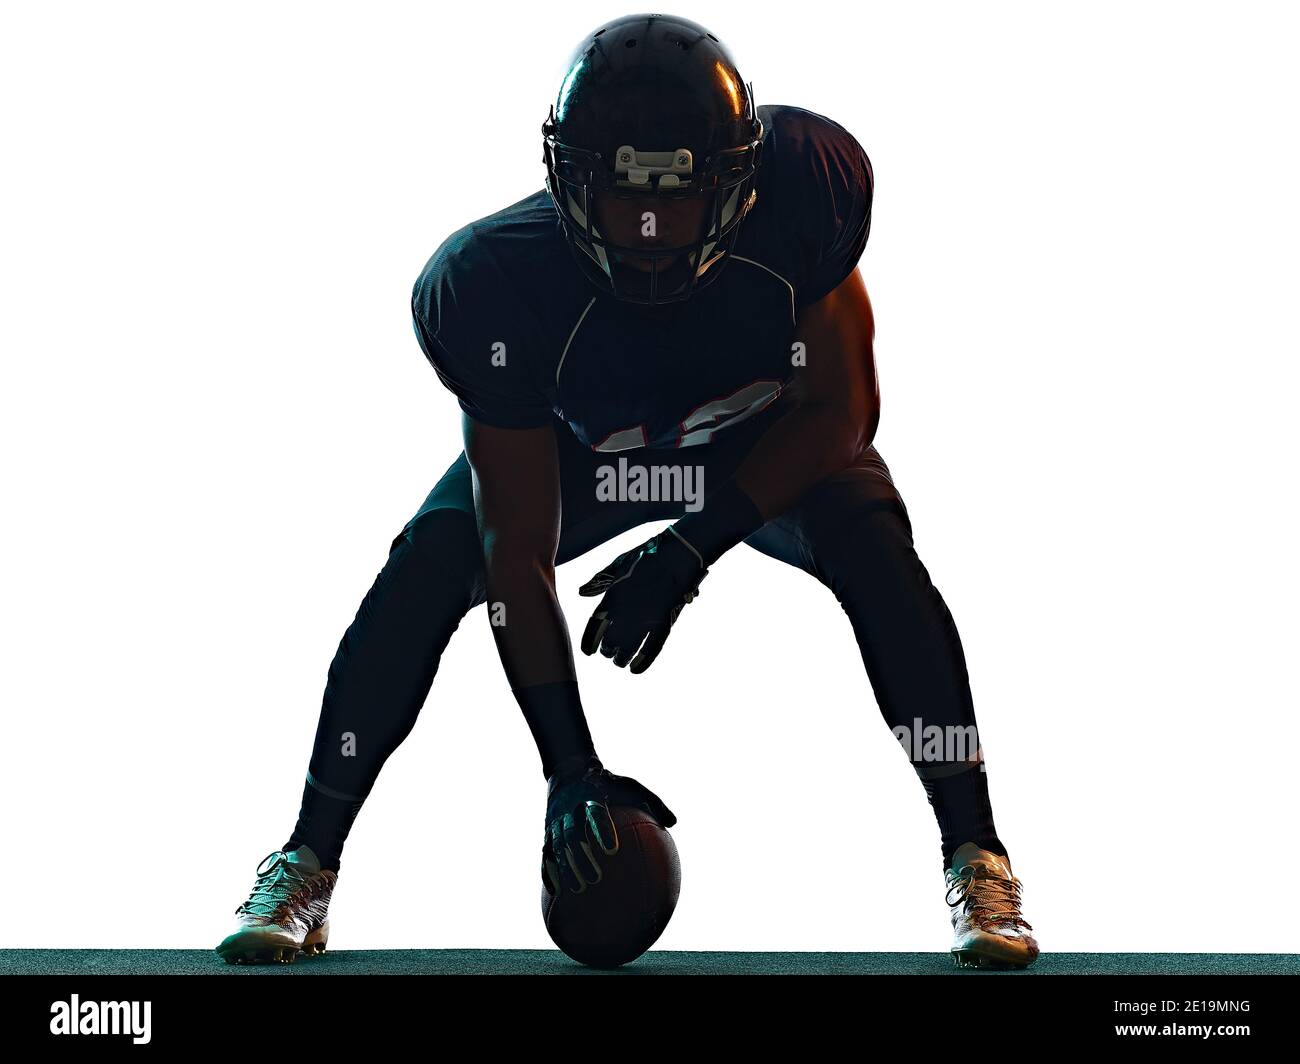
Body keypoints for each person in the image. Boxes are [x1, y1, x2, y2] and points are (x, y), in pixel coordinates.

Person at [217, 12, 1037, 970]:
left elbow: (842, 413)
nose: (653, 237)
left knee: (875, 551)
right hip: (589, 450)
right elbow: (511, 552)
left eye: (682, 198)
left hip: (765, 441)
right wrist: (568, 767)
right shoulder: (491, 286)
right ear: (570, 183)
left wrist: (696, 542)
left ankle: (976, 851)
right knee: (434, 560)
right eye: (625, 199)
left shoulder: (806, 192)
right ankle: (307, 862)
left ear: (739, 180)